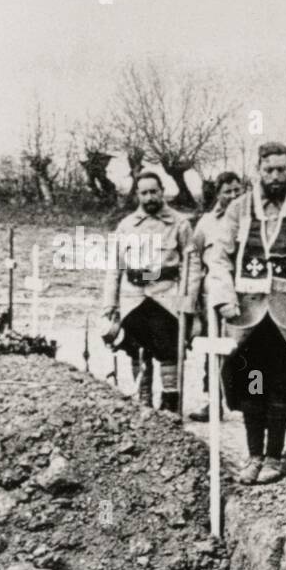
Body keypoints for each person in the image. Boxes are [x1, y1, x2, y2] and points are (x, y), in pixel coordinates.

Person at [206, 142, 286, 484]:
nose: (275, 176)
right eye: (269, 170)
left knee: (282, 384)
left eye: (281, 169)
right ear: (258, 172)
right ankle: (254, 455)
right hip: (247, 314)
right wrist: (223, 297)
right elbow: (217, 257)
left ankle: (275, 457)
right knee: (253, 383)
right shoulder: (238, 209)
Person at [102, 171, 193, 413]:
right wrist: (109, 303)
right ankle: (143, 398)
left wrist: (188, 300)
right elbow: (115, 266)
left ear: (163, 191)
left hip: (166, 296)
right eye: (144, 192)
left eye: (154, 191)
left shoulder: (180, 224)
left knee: (168, 349)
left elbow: (191, 265)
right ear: (137, 195)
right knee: (136, 348)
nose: (150, 197)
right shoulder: (126, 226)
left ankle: (170, 400)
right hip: (134, 297)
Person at [184, 171, 242, 422]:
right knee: (213, 350)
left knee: (247, 349)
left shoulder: (250, 218)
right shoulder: (207, 223)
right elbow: (195, 260)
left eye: (237, 190)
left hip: (245, 293)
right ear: (217, 194)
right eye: (227, 191)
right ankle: (212, 402)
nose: (233, 195)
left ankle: (251, 396)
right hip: (214, 296)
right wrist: (193, 300)